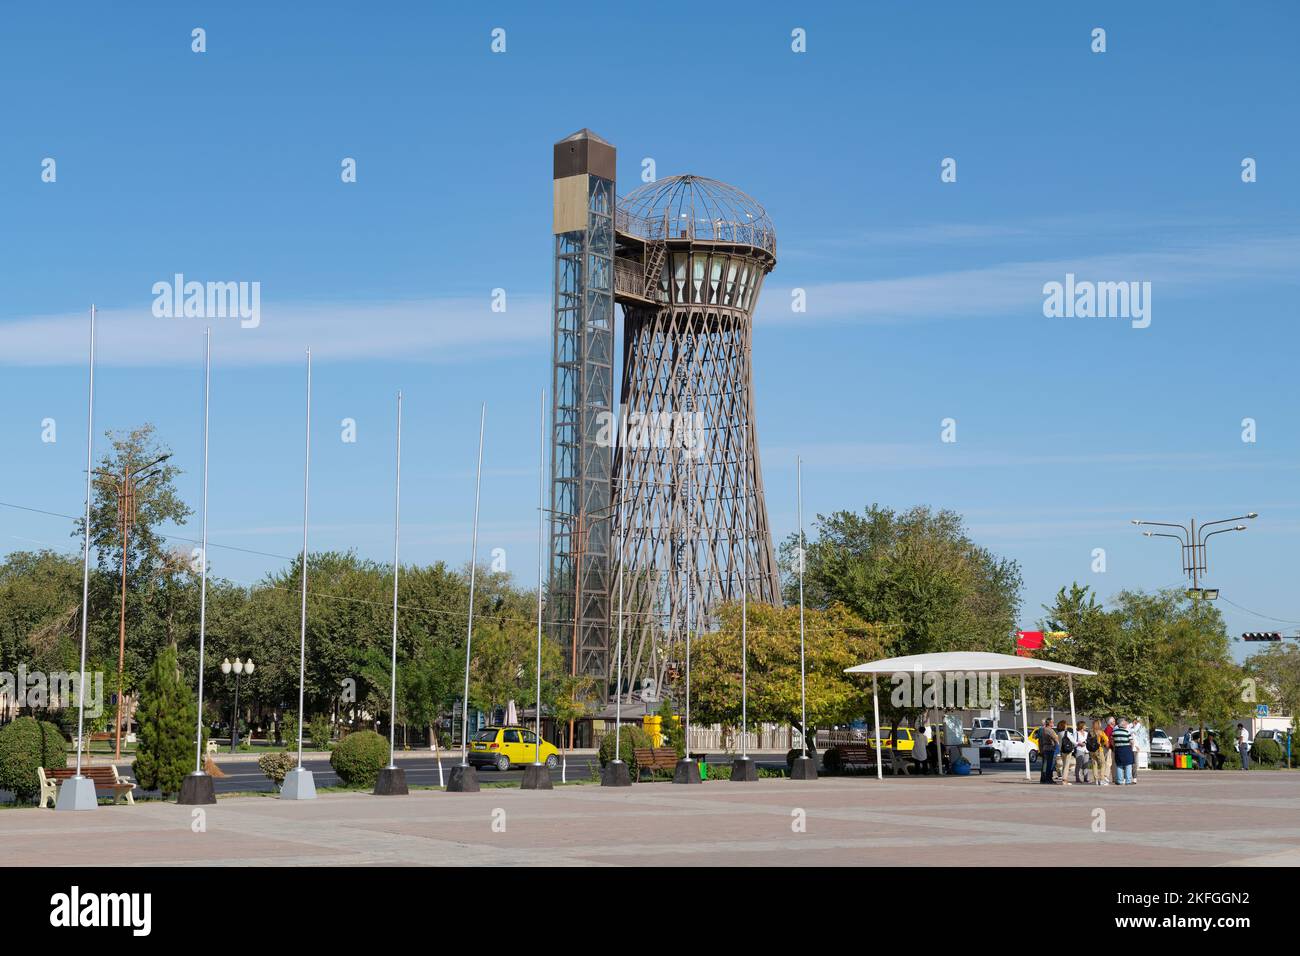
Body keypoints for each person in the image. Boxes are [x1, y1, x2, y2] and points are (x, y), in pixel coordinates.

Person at [1112, 718, 1135, 785]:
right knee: (1128, 765)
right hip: (1127, 749)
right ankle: (1128, 781)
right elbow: (1131, 742)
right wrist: (1132, 748)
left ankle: (1120, 781)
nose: (1126, 724)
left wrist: (1114, 747)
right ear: (1122, 724)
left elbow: (1112, 741)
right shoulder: (1127, 732)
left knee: (1119, 765)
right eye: (1125, 723)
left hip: (1118, 749)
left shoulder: (1114, 732)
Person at [1038, 718, 1059, 784]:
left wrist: (1041, 749)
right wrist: (1057, 744)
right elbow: (1055, 738)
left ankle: (1044, 779)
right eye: (1052, 722)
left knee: (1046, 764)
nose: (1053, 724)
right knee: (1050, 765)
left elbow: (1040, 740)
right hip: (1050, 748)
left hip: (1045, 748)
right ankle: (1048, 779)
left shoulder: (1043, 730)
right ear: (1049, 723)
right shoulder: (1049, 730)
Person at [1089, 720, 1106, 785]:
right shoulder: (1100, 732)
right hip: (1099, 749)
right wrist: (1102, 744)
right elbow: (1106, 740)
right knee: (1103, 764)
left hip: (1091, 750)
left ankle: (1096, 780)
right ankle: (1101, 779)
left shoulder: (1090, 732)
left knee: (1094, 765)